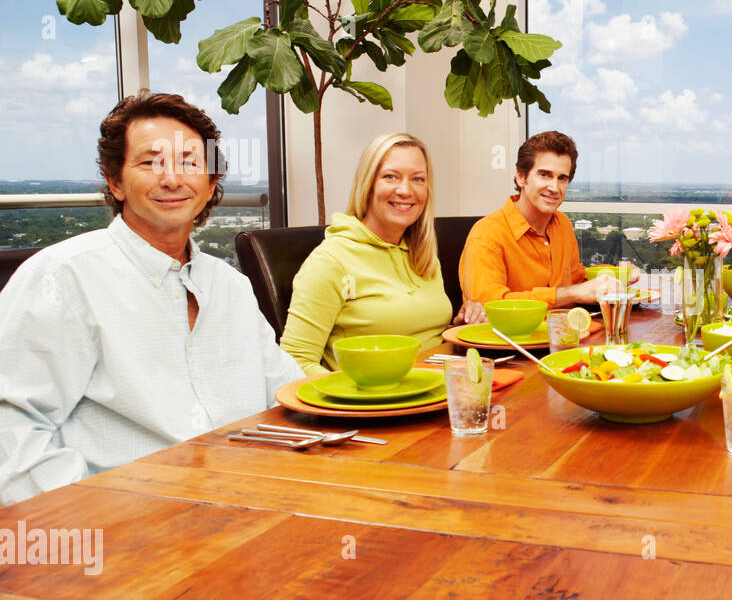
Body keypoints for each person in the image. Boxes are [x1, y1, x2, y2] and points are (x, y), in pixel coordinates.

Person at [0, 92, 302, 505]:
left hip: (249, 502)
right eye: (150, 162)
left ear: (211, 182)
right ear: (115, 181)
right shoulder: (62, 278)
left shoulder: (229, 285)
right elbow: (12, 434)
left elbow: (287, 393)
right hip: (125, 528)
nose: (172, 179)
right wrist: (101, 521)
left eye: (189, 163)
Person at [280, 133, 481, 378]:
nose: (405, 190)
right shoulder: (330, 261)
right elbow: (295, 360)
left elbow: (419, 335)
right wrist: (361, 399)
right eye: (390, 177)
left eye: (418, 179)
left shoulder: (422, 253)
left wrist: (458, 328)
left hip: (434, 392)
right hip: (372, 407)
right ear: (368, 184)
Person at [459, 130, 632, 308]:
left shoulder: (562, 224)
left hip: (568, 332)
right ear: (521, 177)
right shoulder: (486, 235)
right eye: (544, 175)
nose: (554, 187)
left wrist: (614, 276)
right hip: (515, 336)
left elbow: (576, 279)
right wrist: (568, 294)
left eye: (562, 178)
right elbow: (486, 305)